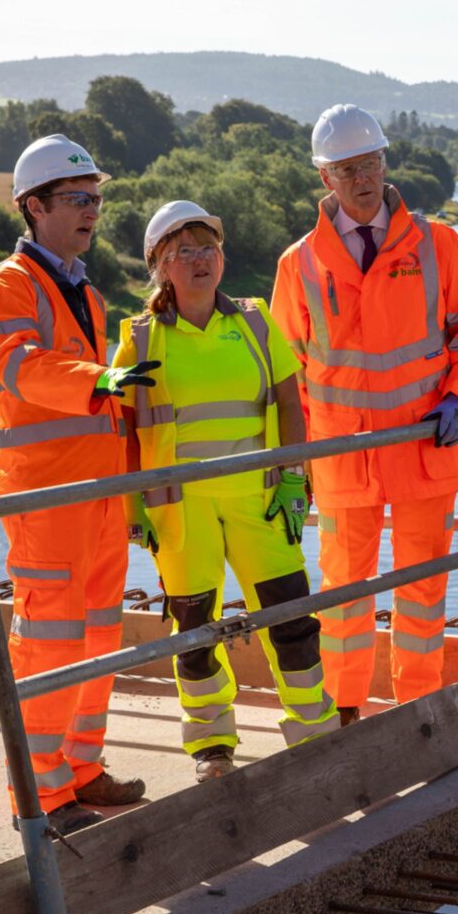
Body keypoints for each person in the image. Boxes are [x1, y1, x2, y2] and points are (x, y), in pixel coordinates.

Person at [271, 104, 458, 721]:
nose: (362, 178)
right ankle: (343, 710)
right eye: (347, 169)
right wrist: (294, 462)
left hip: (425, 447)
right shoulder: (299, 263)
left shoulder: (439, 245)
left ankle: (417, 708)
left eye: (369, 163)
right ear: (325, 177)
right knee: (344, 593)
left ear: (384, 163)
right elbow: (286, 376)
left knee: (423, 588)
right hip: (342, 455)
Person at [0, 134, 156, 834]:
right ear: (34, 206)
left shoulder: (86, 291)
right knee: (49, 643)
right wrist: (100, 379)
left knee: (99, 637)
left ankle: (82, 769)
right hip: (48, 500)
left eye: (96, 199)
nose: (92, 211)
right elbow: (19, 366)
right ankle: (41, 797)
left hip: (97, 497)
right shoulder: (9, 285)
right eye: (77, 198)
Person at [114, 201, 335, 781]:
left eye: (207, 248)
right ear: (160, 267)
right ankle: (212, 745)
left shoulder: (255, 322)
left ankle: (314, 731)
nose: (199, 260)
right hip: (180, 510)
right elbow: (122, 428)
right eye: (183, 251)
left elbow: (289, 401)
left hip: (261, 500)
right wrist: (132, 504)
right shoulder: (139, 340)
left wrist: (295, 476)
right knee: (193, 635)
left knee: (292, 620)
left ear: (222, 256)